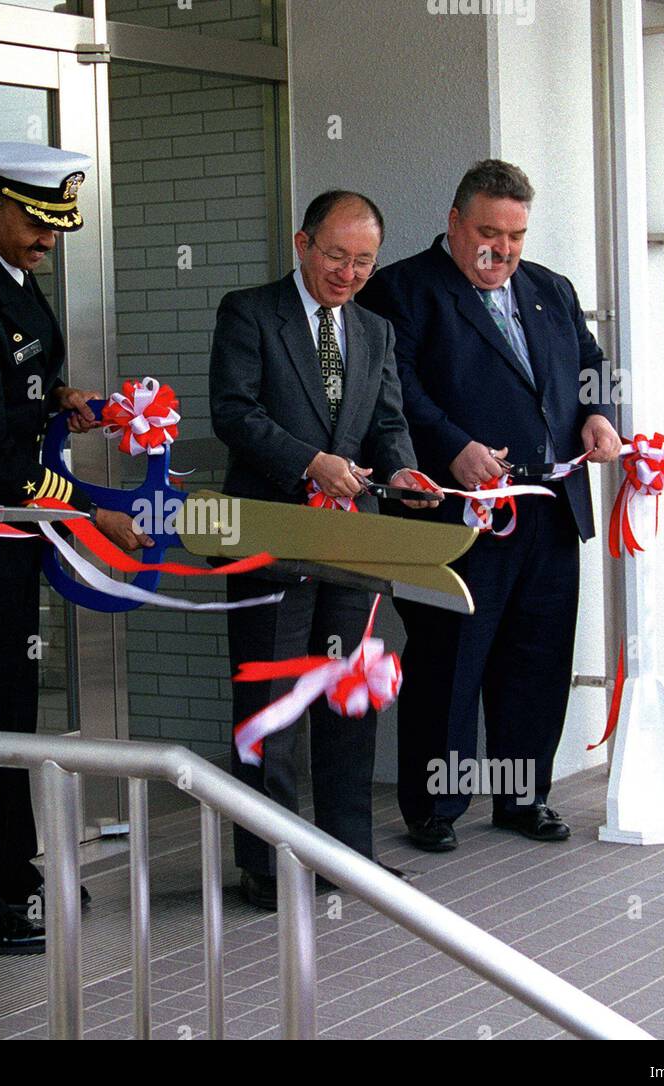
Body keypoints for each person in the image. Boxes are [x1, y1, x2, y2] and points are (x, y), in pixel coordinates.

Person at [0, 142, 149, 953]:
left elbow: (22, 381)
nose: (48, 239)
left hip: (12, 535)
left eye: (56, 225)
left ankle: (12, 874)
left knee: (12, 712)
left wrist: (63, 397)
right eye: (34, 221)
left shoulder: (12, 276)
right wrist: (91, 512)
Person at [357, 158, 621, 852]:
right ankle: (434, 809)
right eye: (487, 233)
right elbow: (393, 389)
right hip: (455, 517)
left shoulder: (551, 290)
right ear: (453, 222)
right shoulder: (402, 292)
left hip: (550, 507)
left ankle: (521, 796)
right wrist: (450, 447)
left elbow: (593, 364)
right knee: (450, 661)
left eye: (515, 236)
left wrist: (599, 413)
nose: (500, 250)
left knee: (535, 660)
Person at [209, 190, 435, 910]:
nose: (347, 273)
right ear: (301, 244)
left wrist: (401, 472)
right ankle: (265, 865)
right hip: (272, 538)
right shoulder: (248, 311)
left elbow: (389, 424)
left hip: (354, 542)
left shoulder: (375, 330)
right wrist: (309, 461)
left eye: (363, 262)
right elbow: (234, 413)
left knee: (348, 698)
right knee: (270, 704)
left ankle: (350, 859)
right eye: (336, 255)